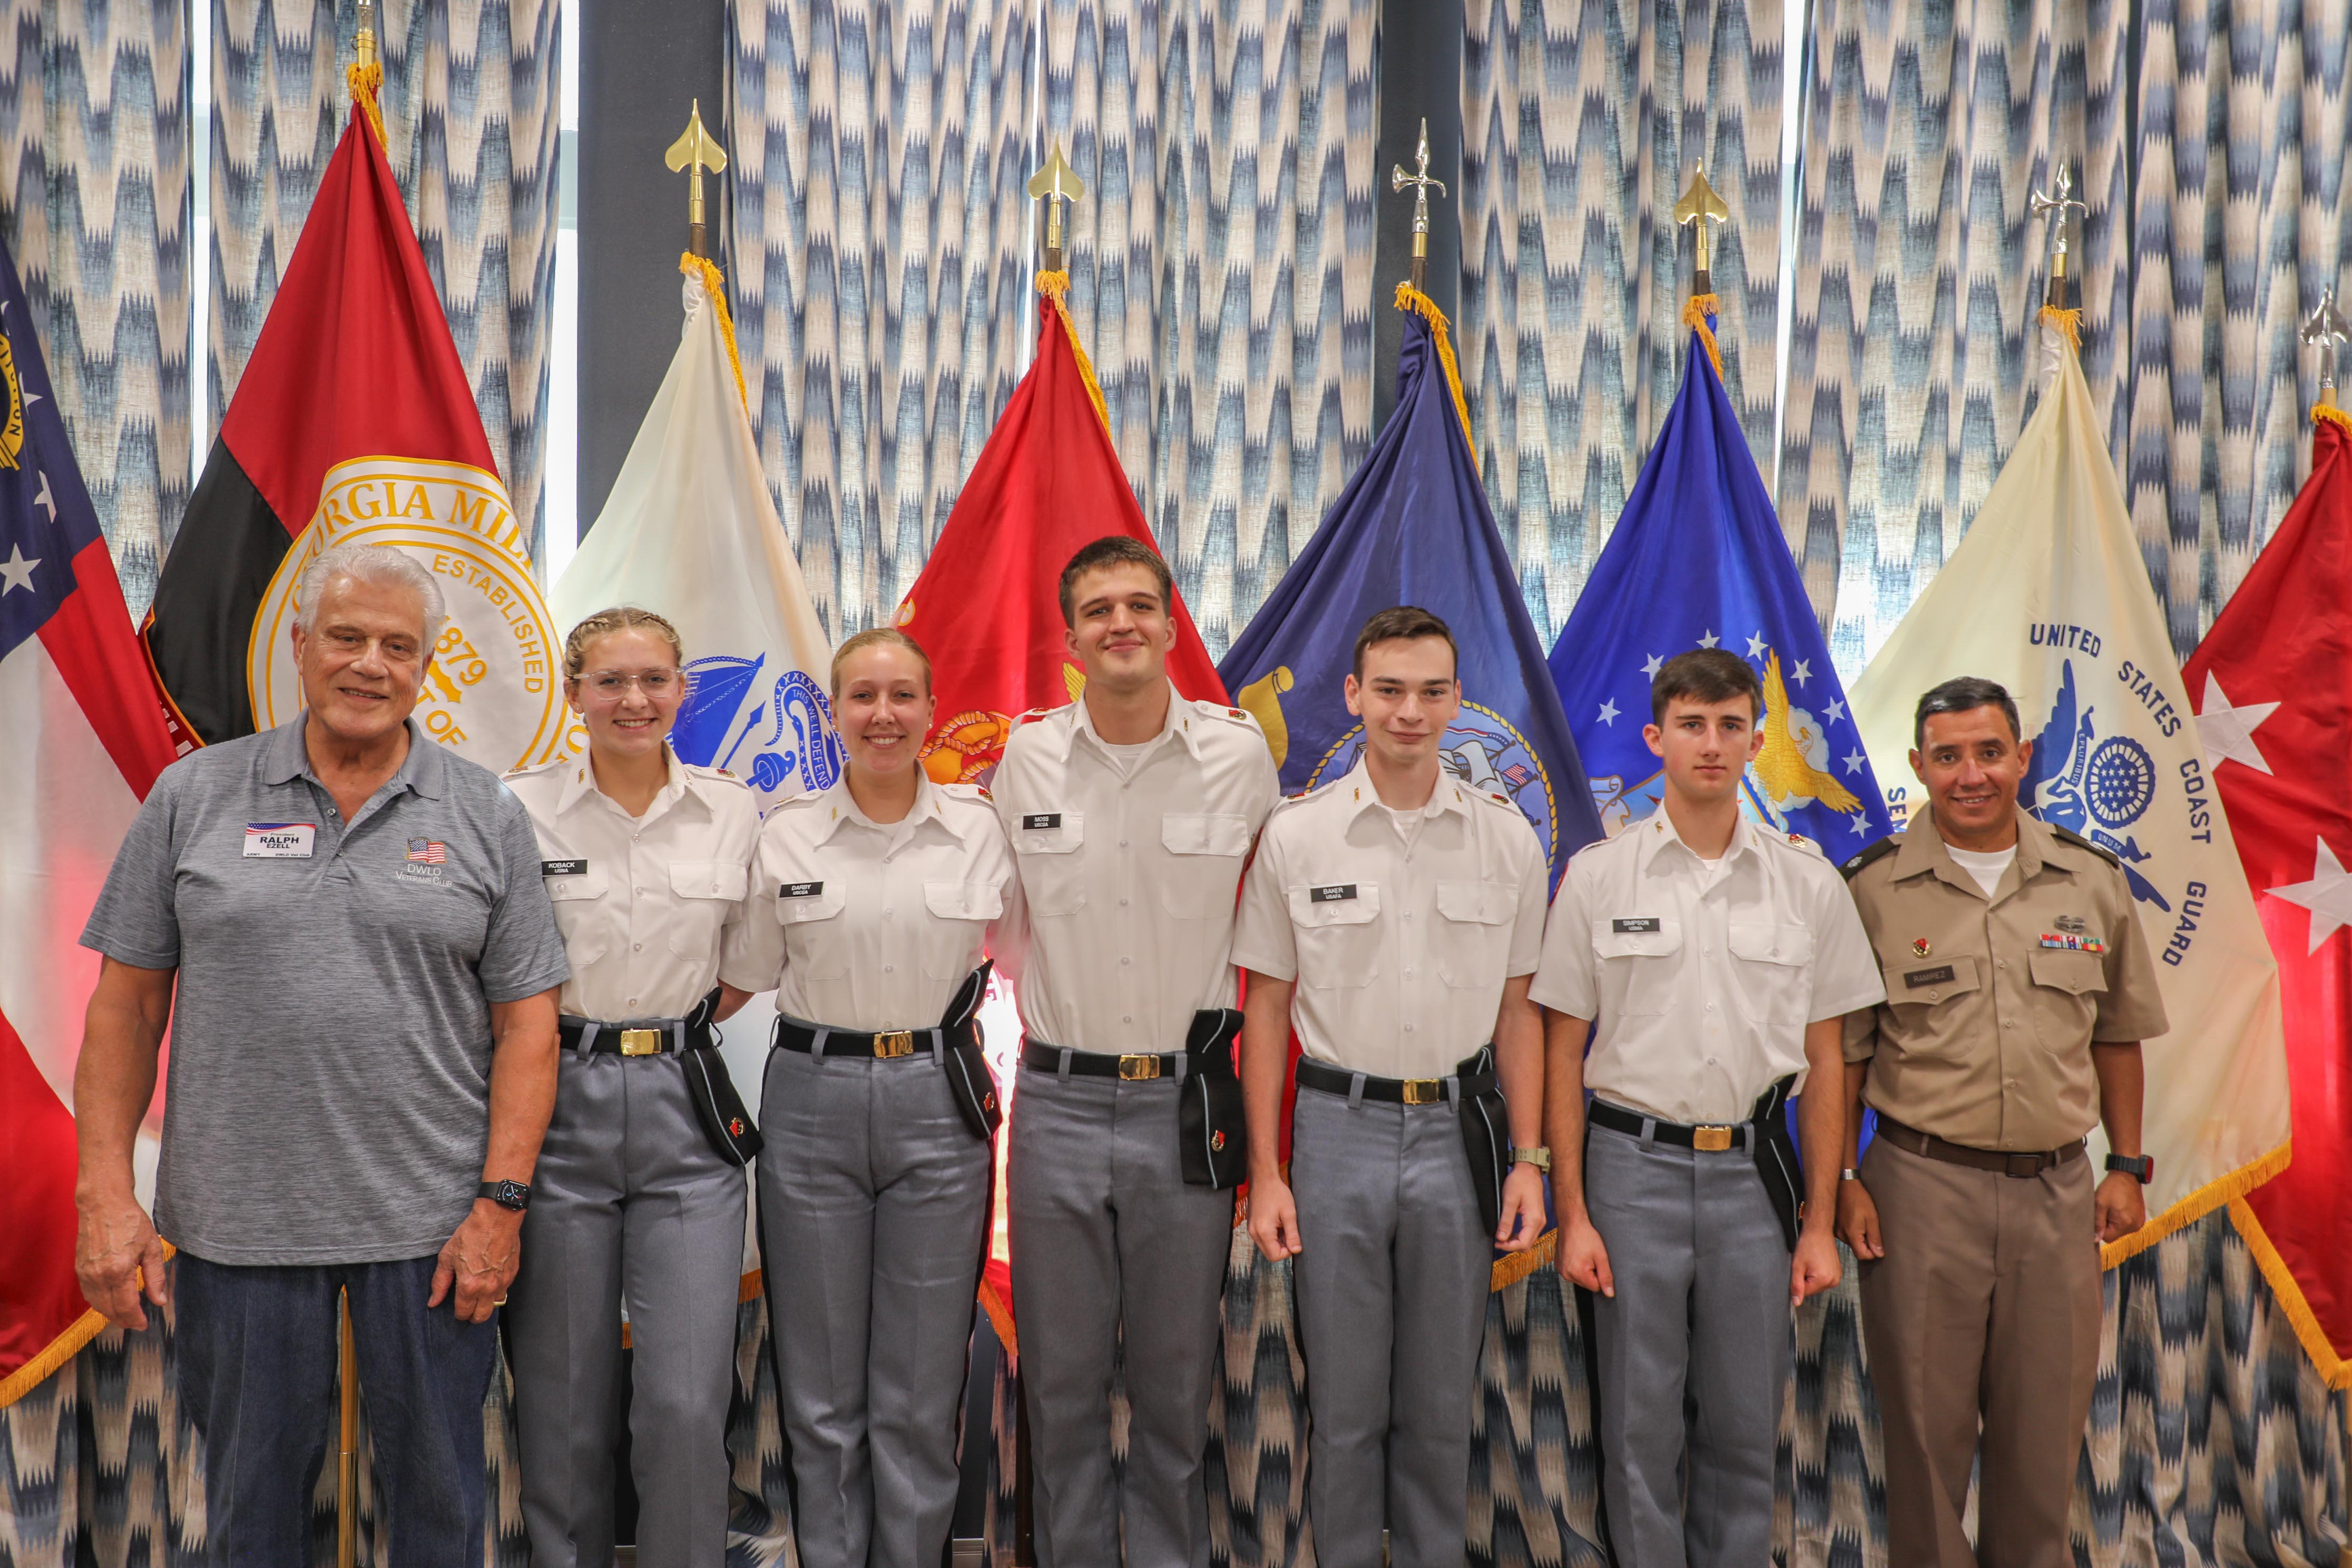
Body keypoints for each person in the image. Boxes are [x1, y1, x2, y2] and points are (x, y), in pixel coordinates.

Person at [72, 542, 569, 1567]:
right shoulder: (194, 797)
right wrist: (104, 1196)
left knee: (440, 1512)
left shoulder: (484, 814)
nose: (369, 664)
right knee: (251, 1515)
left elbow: (529, 1026)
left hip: (433, 1230)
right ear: (299, 647)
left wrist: (502, 1205)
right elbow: (124, 1010)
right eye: (346, 637)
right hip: (238, 1227)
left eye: (398, 646)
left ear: (427, 667)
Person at [1531, 648, 1883, 1568]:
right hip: (1628, 1174)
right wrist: (1571, 1212)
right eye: (1692, 724)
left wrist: (1816, 1224)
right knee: (1637, 1427)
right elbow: (1563, 1053)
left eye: (1732, 726)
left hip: (1751, 1180)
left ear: (1758, 743)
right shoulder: (1599, 878)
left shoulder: (1808, 884)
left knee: (1741, 1422)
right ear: (1656, 738)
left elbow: (1827, 1063)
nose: (1712, 744)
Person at [1231, 606, 1550, 1568]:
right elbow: (1266, 1011)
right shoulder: (1298, 836)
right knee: (1345, 1401)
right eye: (1392, 690)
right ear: (1354, 696)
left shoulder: (1506, 841)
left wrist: (1530, 1160)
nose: (1411, 711)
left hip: (1460, 1136)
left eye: (1432, 692)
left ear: (1458, 701)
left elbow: (1519, 1017)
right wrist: (1269, 1170)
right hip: (1337, 1132)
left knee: (1440, 1403)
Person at [990, 535, 1280, 1568]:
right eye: (1099, 610)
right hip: (1059, 1101)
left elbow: (1278, 927)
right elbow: (1000, 923)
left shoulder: (1238, 755)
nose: (1122, 624)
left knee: (1171, 1379)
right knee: (1062, 1384)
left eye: (1141, 607)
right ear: (1070, 639)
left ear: (1169, 626)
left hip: (1184, 1107)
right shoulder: (1024, 757)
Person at [1837, 676, 2163, 1568]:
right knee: (1923, 1438)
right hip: (1917, 1191)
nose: (1970, 774)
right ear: (1918, 767)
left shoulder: (2091, 881)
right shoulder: (1869, 891)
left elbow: (2120, 1036)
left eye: (1989, 752)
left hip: (2057, 1194)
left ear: (2023, 757)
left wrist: (2127, 1164)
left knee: (2042, 1439)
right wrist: (1844, 1180)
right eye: (1947, 757)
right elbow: (1844, 1061)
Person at [719, 627, 1018, 1568]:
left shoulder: (984, 828)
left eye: (902, 697)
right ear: (835, 711)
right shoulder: (785, 835)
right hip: (813, 1100)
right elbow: (739, 978)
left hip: (939, 1099)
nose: (882, 716)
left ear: (933, 712)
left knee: (924, 1384)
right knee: (820, 1383)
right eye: (862, 697)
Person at [499, 606, 762, 1568]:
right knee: (564, 1395)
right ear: (574, 695)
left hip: (686, 1108)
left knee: (687, 1400)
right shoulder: (518, 807)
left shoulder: (732, 808)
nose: (634, 699)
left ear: (682, 691)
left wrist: (663, 1032)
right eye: (610, 681)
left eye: (654, 679)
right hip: (556, 1102)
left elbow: (743, 964)